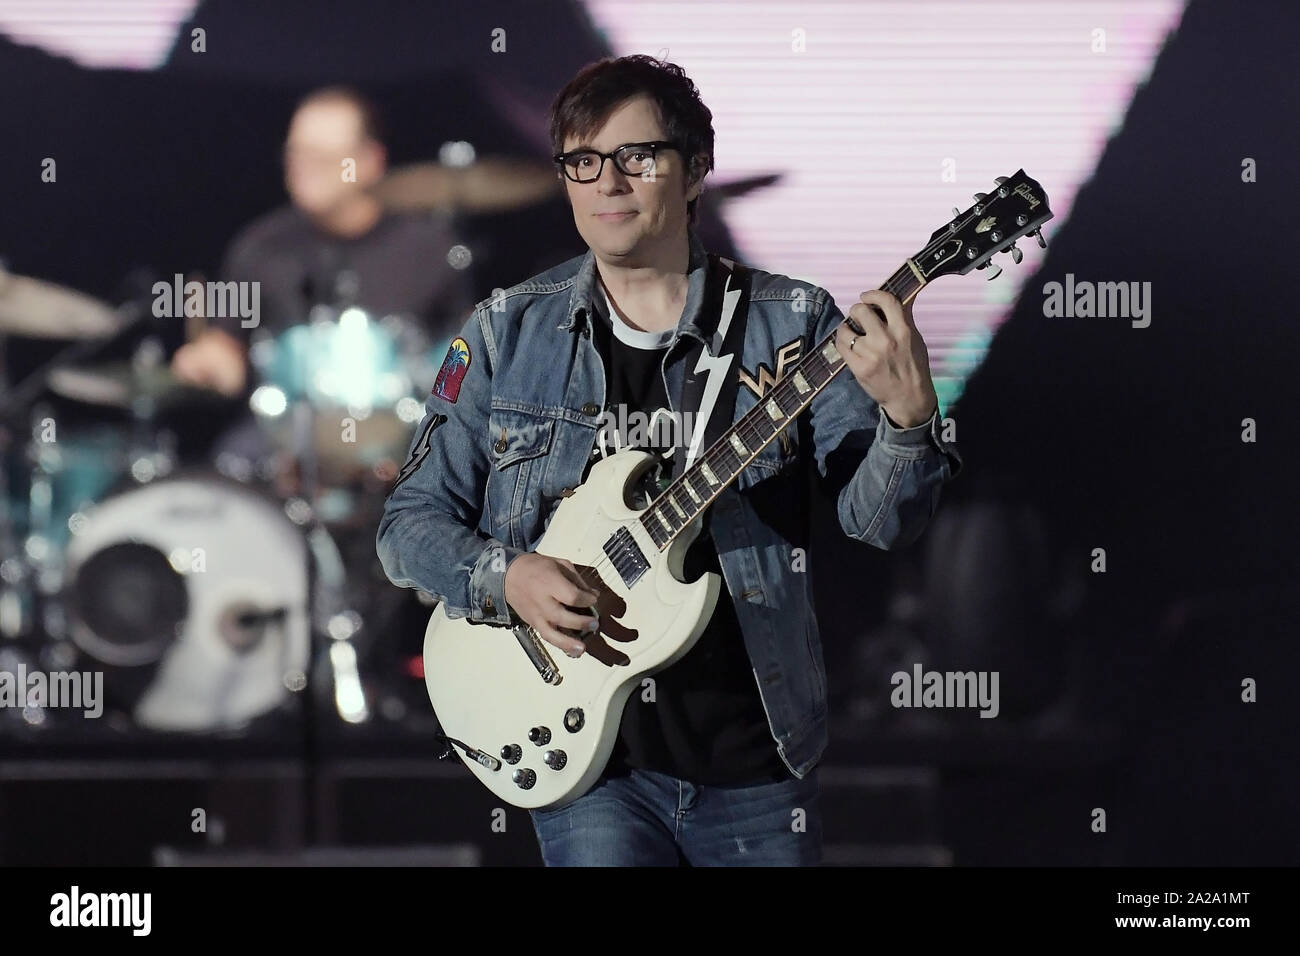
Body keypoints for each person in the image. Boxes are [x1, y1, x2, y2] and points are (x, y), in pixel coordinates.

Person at [376, 54, 962, 867]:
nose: (608, 183)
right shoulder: (506, 333)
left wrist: (908, 418)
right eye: (583, 161)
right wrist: (509, 576)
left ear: (696, 169)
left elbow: (882, 526)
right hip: (589, 765)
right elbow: (407, 527)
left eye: (637, 156)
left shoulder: (792, 322)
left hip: (754, 757)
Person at [170, 85, 475, 468]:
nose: (302, 167)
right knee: (227, 469)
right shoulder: (258, 246)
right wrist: (207, 361)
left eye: (321, 156)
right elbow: (228, 350)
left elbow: (463, 352)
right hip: (281, 440)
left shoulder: (428, 248)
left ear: (370, 161)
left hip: (401, 441)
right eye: (296, 153)